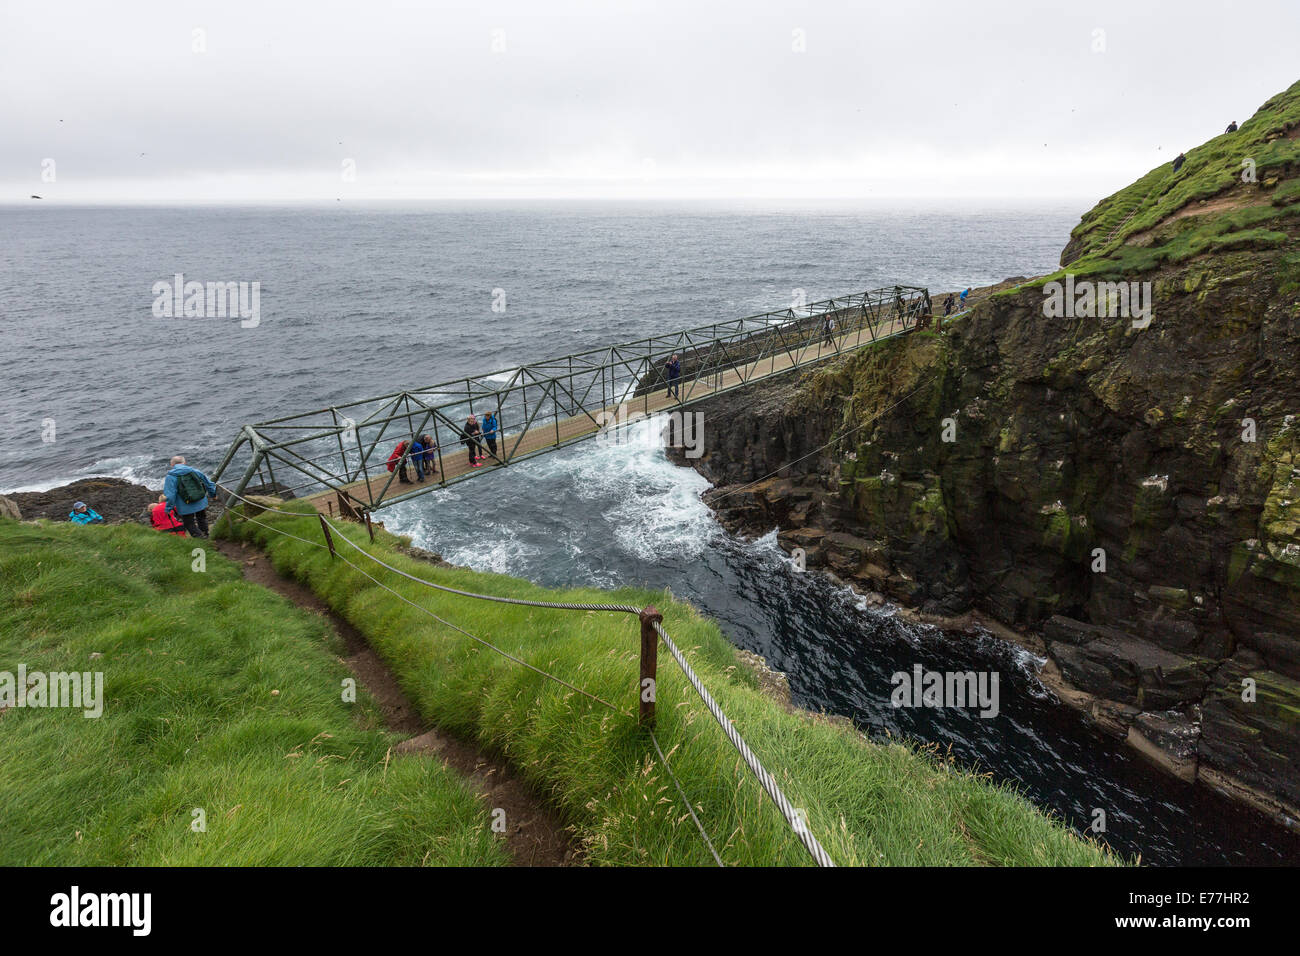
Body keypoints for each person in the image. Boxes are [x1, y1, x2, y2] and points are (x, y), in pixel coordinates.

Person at [163, 455, 217, 539]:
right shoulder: (195, 471)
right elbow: (209, 484)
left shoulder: (171, 477)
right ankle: (206, 535)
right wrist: (213, 495)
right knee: (201, 518)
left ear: (172, 464)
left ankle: (202, 540)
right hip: (200, 501)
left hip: (185, 505)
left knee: (189, 523)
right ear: (184, 462)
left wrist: (168, 509)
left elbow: (170, 495)